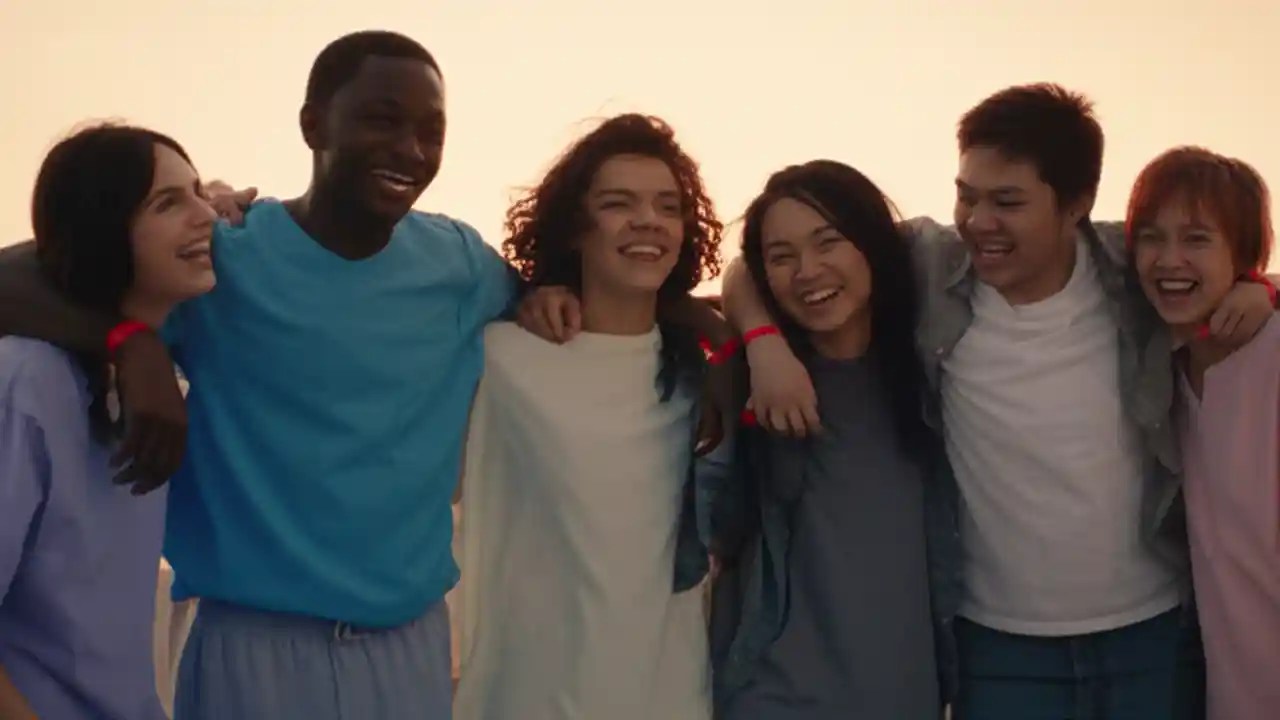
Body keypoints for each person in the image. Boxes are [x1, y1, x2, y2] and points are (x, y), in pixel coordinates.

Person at [715, 84, 1278, 718]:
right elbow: (753, 264)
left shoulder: (1134, 267)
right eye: (967, 196)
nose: (980, 222)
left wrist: (1256, 288)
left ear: (1077, 205)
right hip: (998, 648)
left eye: (1007, 202)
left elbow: (1207, 265)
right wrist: (764, 344)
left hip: (1150, 634)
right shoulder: (929, 264)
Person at [453, 113, 733, 720]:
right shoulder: (501, 360)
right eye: (617, 203)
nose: (647, 222)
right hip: (526, 697)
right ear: (575, 228)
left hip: (670, 697)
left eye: (668, 207)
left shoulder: (699, 378)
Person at [709, 159, 949, 719]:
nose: (808, 271)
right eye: (782, 257)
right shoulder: (751, 387)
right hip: (774, 697)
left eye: (828, 243)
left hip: (904, 697)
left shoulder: (934, 371)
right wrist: (761, 344)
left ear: (870, 245)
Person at [0, 124, 216, 720]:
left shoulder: (150, 380)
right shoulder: (28, 380)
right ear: (104, 232)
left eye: (198, 192)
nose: (207, 215)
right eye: (168, 203)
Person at [1127, 146, 1280, 720]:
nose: (1169, 260)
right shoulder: (1165, 366)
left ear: (1243, 254)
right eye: (1151, 237)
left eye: (1196, 239)